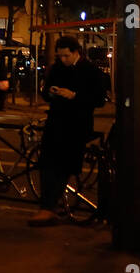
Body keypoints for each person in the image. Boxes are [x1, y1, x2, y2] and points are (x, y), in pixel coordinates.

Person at [29, 35, 105, 227]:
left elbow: (99, 99)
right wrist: (51, 92)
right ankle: (47, 206)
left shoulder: (90, 71)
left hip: (76, 124)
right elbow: (45, 92)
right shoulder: (57, 68)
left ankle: (49, 207)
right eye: (60, 56)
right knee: (47, 164)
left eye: (66, 56)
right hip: (56, 121)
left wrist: (74, 96)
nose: (62, 60)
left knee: (63, 166)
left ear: (76, 52)